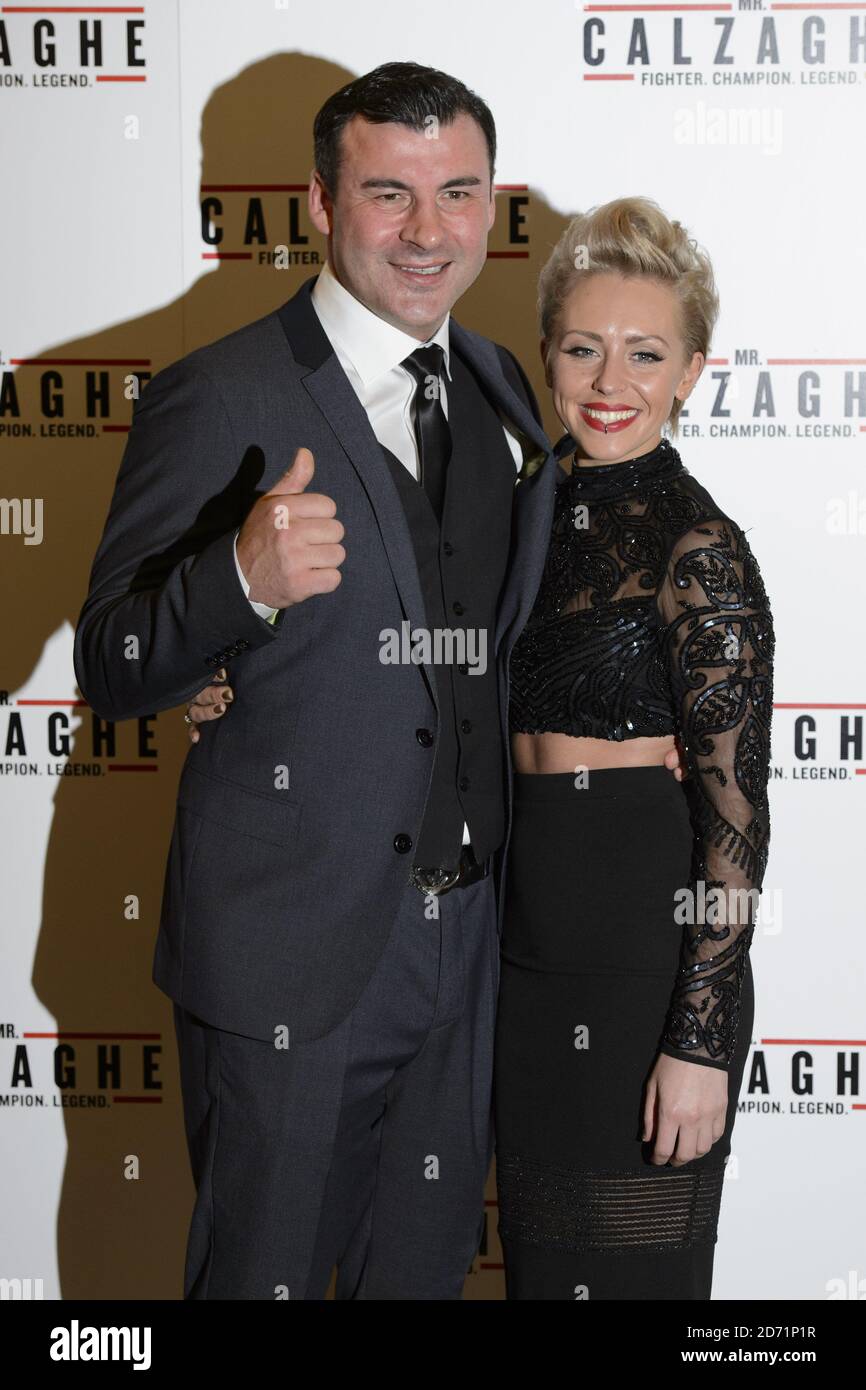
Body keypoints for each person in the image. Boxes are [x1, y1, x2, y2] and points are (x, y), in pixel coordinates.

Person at [77, 63, 688, 1301]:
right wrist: (235, 585)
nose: (426, 232)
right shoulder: (221, 394)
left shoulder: (503, 393)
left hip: (467, 952)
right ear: (316, 202)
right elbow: (111, 664)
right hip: (290, 952)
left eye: (455, 193)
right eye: (388, 193)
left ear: (487, 207)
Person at [495, 196, 774, 1299]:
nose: (609, 381)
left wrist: (698, 1037)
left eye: (643, 352)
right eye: (582, 347)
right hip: (516, 960)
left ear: (690, 370)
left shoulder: (697, 546)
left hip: (642, 967)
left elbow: (734, 820)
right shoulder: (516, 510)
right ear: (548, 353)